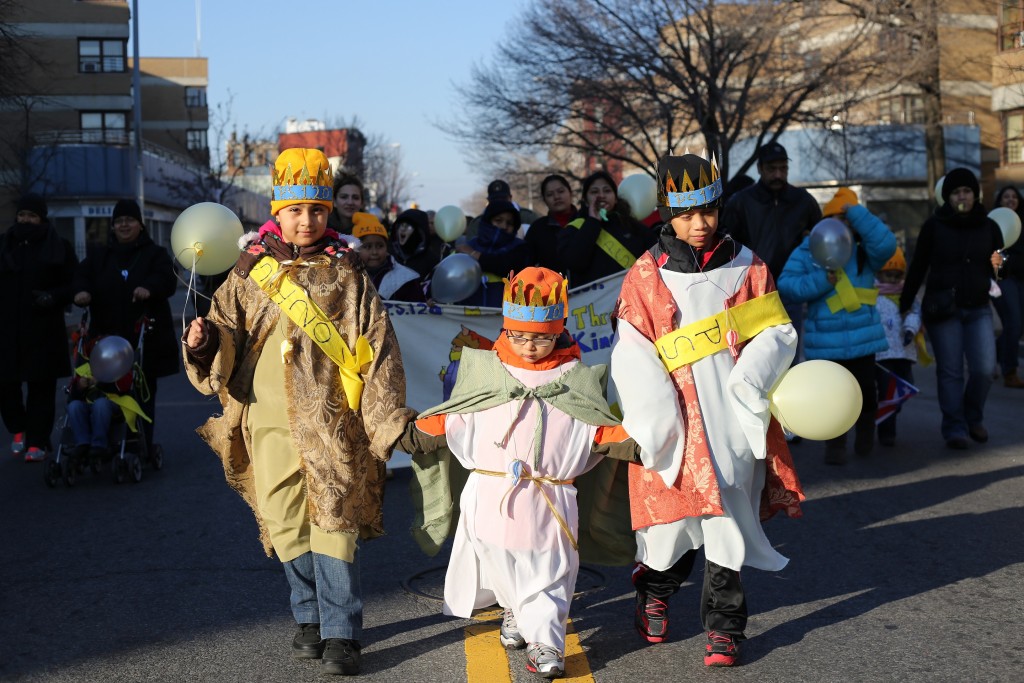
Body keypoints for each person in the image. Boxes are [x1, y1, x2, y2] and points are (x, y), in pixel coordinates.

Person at [183, 148, 413, 676]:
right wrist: (201, 342)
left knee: (334, 520)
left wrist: (389, 420)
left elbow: (377, 347)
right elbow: (224, 330)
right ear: (276, 211)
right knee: (284, 520)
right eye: (295, 210)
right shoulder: (248, 272)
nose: (306, 220)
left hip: (333, 423)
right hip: (266, 419)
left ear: (329, 214)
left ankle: (341, 631)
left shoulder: (349, 275)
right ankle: (308, 616)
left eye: (317, 210)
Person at [397, 266, 638, 679]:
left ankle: (547, 643)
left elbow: (596, 426)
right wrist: (411, 433)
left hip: (550, 496)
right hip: (490, 495)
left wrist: (643, 442)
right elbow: (455, 416)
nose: (530, 346)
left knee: (550, 567)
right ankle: (512, 606)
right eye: (520, 336)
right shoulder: (486, 371)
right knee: (499, 558)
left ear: (557, 332)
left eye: (542, 337)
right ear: (505, 331)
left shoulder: (575, 378)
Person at [610, 152, 803, 667]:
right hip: (672, 418)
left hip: (730, 413)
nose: (699, 225)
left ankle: (725, 629)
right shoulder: (646, 276)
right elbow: (631, 350)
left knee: (728, 520)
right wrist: (656, 421)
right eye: (686, 214)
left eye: (708, 212)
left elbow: (778, 332)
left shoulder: (748, 265)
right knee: (673, 532)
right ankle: (654, 588)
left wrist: (748, 381)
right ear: (666, 213)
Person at [778, 188, 896, 464]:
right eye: (834, 219)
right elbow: (787, 285)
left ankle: (866, 430)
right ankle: (836, 442)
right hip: (826, 342)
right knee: (832, 395)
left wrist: (855, 211)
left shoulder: (863, 251)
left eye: (845, 221)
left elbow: (887, 244)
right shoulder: (808, 251)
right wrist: (822, 281)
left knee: (867, 392)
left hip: (862, 339)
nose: (841, 226)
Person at [900, 167, 1003, 450]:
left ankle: (973, 417)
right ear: (947, 197)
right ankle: (954, 427)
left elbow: (1002, 268)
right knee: (951, 371)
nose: (962, 197)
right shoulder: (934, 226)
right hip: (943, 310)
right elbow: (919, 266)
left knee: (984, 369)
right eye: (956, 192)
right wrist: (905, 305)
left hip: (979, 307)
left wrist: (1000, 268)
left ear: (975, 195)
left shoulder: (989, 226)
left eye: (967, 191)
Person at [73, 198, 178, 454]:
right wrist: (81, 292)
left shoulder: (155, 254)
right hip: (105, 339)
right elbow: (80, 276)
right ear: (112, 226)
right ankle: (103, 440)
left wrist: (149, 288)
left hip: (144, 336)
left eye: (129, 220)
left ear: (140, 225)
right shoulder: (100, 256)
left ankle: (140, 442)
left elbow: (166, 278)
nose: (123, 225)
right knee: (102, 389)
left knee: (142, 390)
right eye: (118, 221)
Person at [721, 142, 822, 361]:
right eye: (772, 169)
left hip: (791, 290)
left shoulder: (803, 201)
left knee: (789, 354)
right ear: (760, 169)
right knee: (758, 357)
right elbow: (726, 244)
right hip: (753, 292)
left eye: (783, 168)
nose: (778, 174)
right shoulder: (741, 202)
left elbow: (820, 240)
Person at [0, 194, 78, 461]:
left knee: (40, 388)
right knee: (6, 386)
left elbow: (73, 283)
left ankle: (37, 440)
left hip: (43, 328)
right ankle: (18, 428)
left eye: (32, 216)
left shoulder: (59, 247)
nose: (25, 220)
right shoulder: (3, 244)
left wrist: (53, 296)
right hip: (7, 330)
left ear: (42, 219)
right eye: (22, 215)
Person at [557, 170, 656, 287]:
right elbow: (575, 263)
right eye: (594, 192)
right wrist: (593, 222)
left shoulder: (633, 227)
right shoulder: (573, 229)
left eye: (607, 191)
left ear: (615, 198)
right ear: (585, 200)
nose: (601, 195)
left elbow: (654, 261)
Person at [874, 247, 922, 447]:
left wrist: (911, 328)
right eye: (888, 275)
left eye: (897, 275)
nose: (893, 280)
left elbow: (915, 312)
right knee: (887, 392)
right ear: (879, 273)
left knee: (906, 386)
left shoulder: (906, 294)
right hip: (883, 354)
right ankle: (886, 432)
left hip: (904, 351)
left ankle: (887, 412)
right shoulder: (873, 295)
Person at [455, 200, 531, 306]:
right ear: (487, 221)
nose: (504, 226)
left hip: (507, 318)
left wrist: (475, 255)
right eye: (498, 220)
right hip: (469, 317)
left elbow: (508, 267)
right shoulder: (469, 246)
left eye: (509, 223)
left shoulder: (520, 248)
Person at [991, 185, 1024, 387]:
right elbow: (995, 255)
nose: (1011, 199)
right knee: (1013, 323)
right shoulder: (994, 223)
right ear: (1000, 202)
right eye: (1006, 197)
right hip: (1004, 280)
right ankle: (1010, 371)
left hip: (1023, 279)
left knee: (1019, 326)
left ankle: (990, 353)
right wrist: (1002, 272)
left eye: (1014, 196)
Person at [352, 211, 425, 302]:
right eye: (367, 246)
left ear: (387, 247)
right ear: (356, 249)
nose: (374, 252)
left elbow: (418, 309)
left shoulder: (407, 279)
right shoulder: (345, 276)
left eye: (380, 246)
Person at [524, 174, 576, 272]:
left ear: (570, 193)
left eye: (561, 191)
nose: (556, 197)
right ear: (545, 200)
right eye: (550, 194)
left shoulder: (586, 222)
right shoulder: (537, 229)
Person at [465, 179, 541, 240]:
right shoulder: (478, 223)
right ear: (488, 201)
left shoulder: (528, 217)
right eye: (495, 200)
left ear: (510, 198)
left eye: (503, 199)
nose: (499, 203)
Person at [391, 208, 441, 281]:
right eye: (401, 225)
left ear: (419, 231)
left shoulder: (431, 260)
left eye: (407, 225)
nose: (402, 229)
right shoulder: (389, 256)